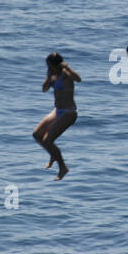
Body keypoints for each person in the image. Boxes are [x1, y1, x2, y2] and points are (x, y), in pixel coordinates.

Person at [33, 52, 79, 180]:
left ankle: (63, 167)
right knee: (37, 134)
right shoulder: (52, 76)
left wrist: (68, 67)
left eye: (49, 66)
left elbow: (78, 79)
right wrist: (48, 77)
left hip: (69, 112)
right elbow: (44, 89)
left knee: (47, 140)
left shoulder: (66, 75)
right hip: (57, 111)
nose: (48, 68)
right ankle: (53, 154)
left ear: (57, 65)